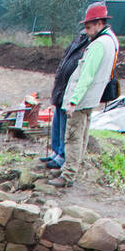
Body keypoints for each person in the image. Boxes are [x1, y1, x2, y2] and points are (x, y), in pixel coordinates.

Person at [50, 3, 118, 189]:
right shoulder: (112, 40)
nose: (86, 32)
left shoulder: (98, 45)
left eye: (88, 27)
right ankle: (71, 168)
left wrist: (73, 101)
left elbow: (85, 76)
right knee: (82, 136)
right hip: (91, 99)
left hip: (81, 100)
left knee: (73, 137)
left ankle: (68, 175)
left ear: (98, 23)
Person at [39, 28, 89, 172]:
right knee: (57, 121)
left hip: (70, 89)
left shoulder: (91, 43)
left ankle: (62, 154)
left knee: (64, 125)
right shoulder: (79, 39)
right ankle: (56, 152)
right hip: (62, 87)